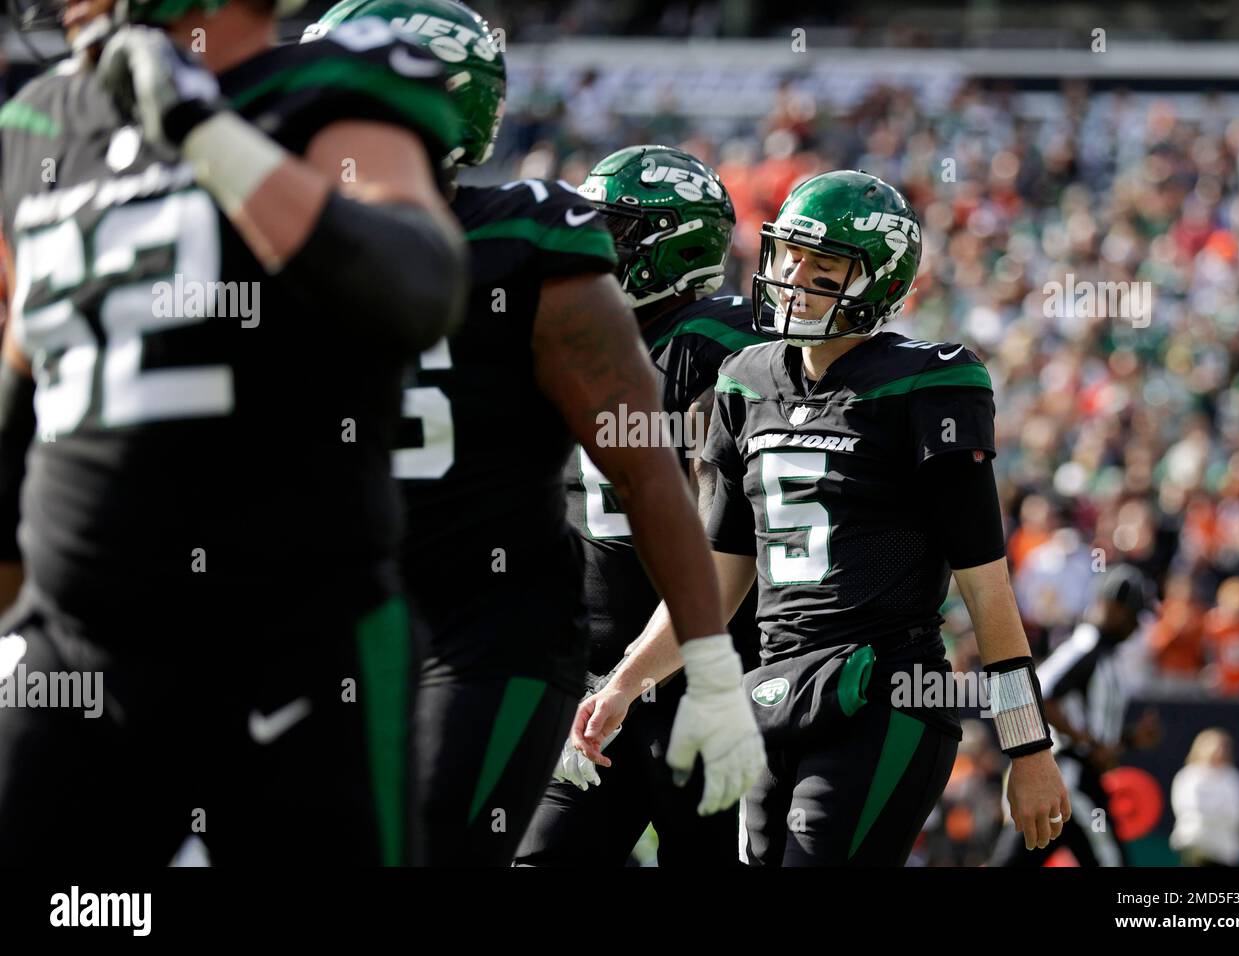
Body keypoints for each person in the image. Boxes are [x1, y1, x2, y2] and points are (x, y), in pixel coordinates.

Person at [0, 0, 468, 864]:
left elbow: (414, 284)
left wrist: (203, 133)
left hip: (292, 648)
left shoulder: (326, 90)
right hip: (72, 646)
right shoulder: (37, 123)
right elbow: (18, 405)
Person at [303, 1, 763, 866]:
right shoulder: (275, 240)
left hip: (525, 635)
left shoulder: (658, 315)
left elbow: (666, 490)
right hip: (414, 628)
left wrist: (701, 664)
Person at [571, 170, 1069, 866]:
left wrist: (1029, 745)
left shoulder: (926, 383)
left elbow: (986, 589)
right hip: (775, 694)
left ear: (880, 281)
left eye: (825, 265)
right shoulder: (747, 378)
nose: (796, 277)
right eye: (790, 256)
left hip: (884, 695)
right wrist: (624, 683)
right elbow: (714, 585)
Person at [515, 144, 768, 867]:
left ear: (673, 244)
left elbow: (718, 543)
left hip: (700, 681)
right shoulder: (583, 338)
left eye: (616, 229)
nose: (592, 244)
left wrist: (629, 674)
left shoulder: (710, 342)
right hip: (603, 692)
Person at [992, 563, 1160, 867]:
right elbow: (1039, 695)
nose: (1135, 627)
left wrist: (1129, 738)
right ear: (1115, 608)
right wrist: (1087, 742)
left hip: (1073, 779)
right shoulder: (1086, 647)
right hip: (1071, 779)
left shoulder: (1103, 655)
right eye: (1133, 616)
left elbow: (1091, 731)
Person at [1170, 728, 1239, 866]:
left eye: (1223, 747)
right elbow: (1190, 808)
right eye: (1214, 746)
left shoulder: (1234, 778)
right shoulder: (1188, 776)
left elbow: (1235, 813)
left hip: (1225, 850)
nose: (1219, 751)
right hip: (1195, 844)